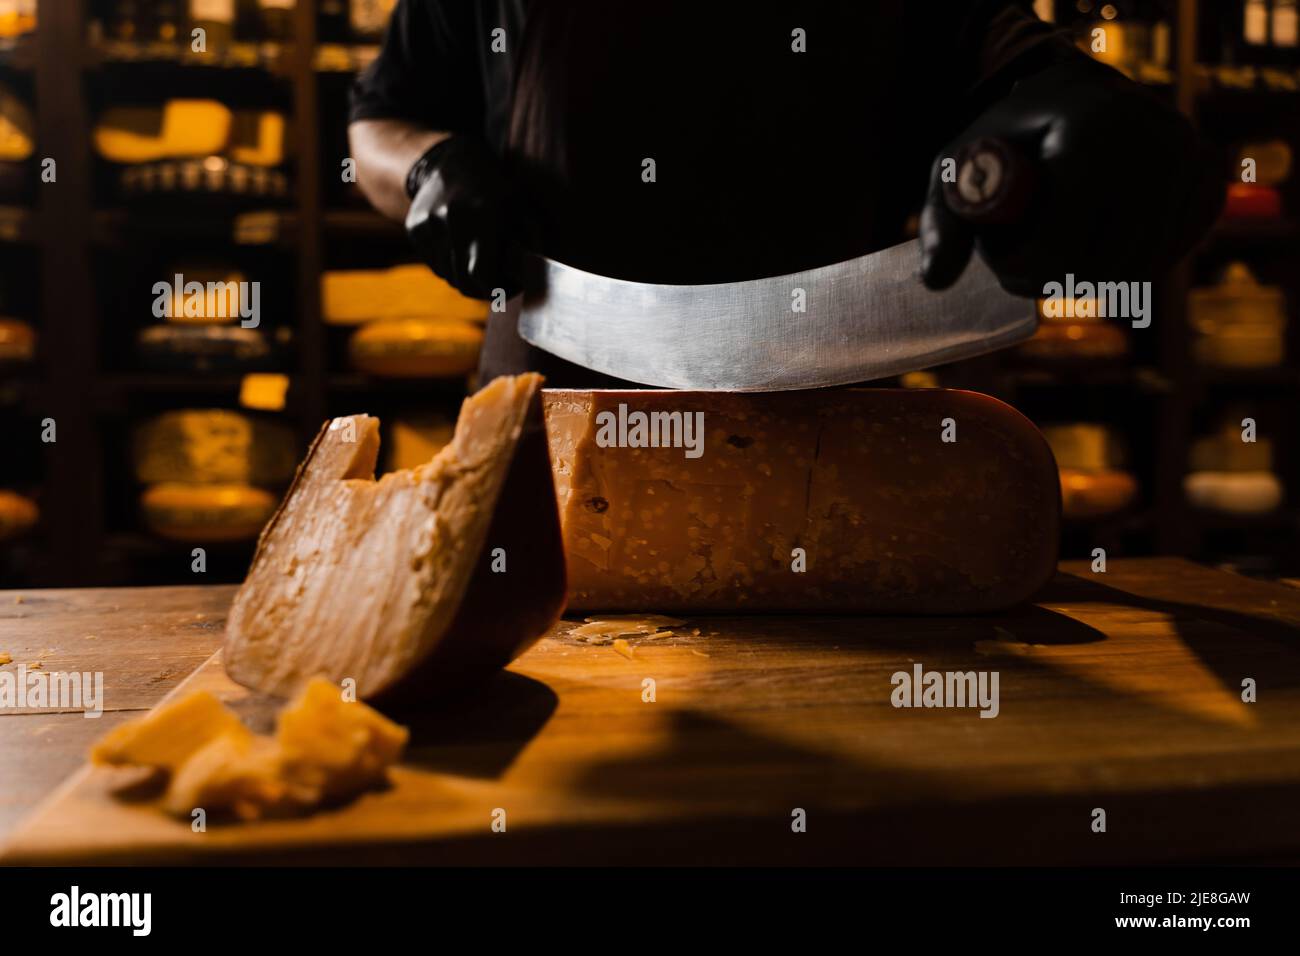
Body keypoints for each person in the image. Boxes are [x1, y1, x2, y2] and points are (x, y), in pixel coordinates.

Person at [349, 1, 1222, 386]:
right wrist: (429, 168)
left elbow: (1024, 81)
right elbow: (379, 122)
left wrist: (1099, 125)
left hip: (831, 413)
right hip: (544, 414)